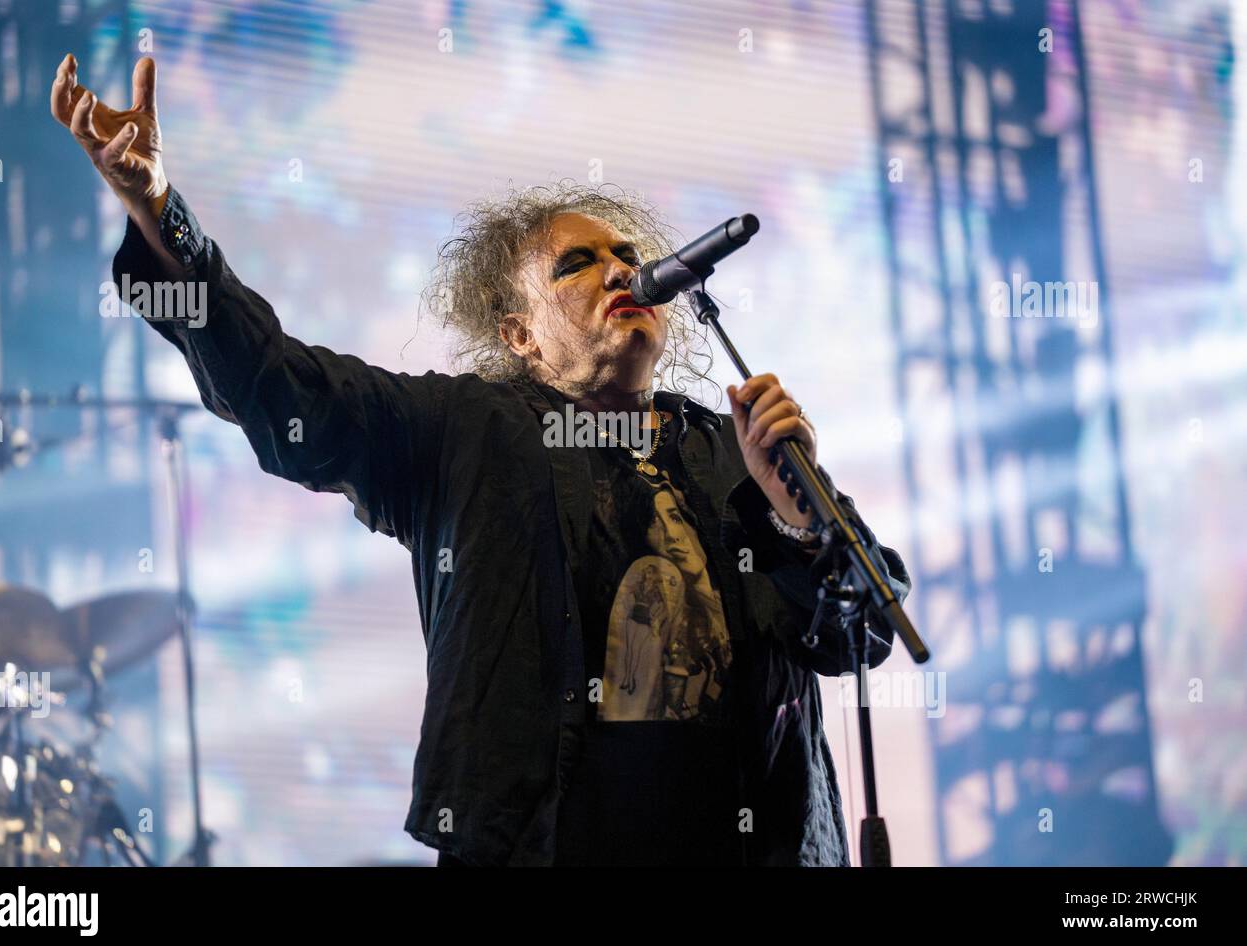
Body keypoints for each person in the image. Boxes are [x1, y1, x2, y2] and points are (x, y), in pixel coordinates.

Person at [50, 53, 911, 866]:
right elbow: (283, 390)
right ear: (520, 336)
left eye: (625, 255)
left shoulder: (735, 450)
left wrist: (797, 520)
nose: (619, 268)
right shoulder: (464, 435)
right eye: (578, 263)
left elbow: (863, 633)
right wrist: (161, 212)